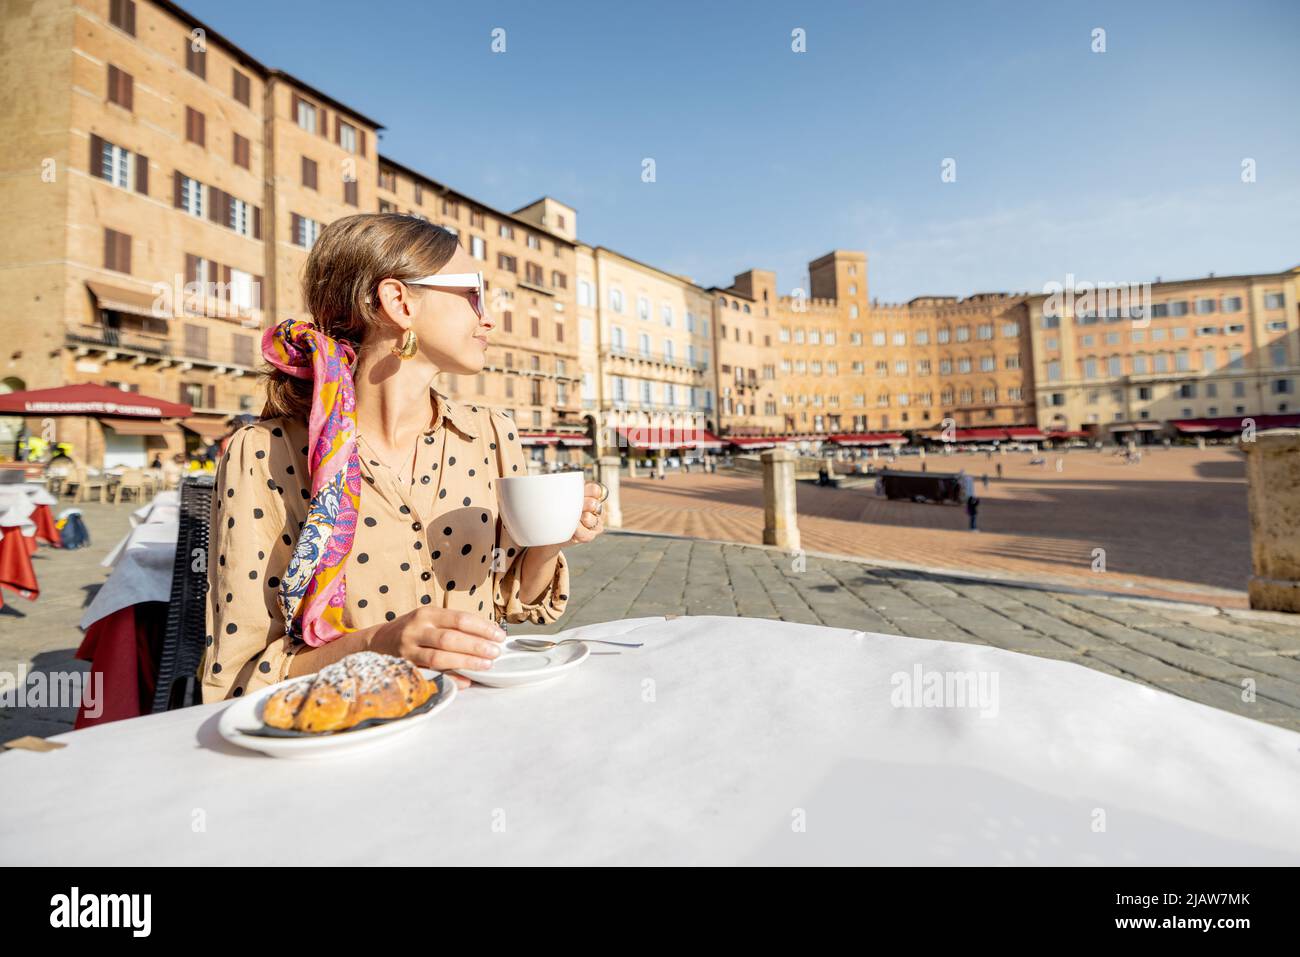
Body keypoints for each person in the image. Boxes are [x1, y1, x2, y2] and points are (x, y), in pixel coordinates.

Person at [201, 214, 605, 703]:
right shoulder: (264, 453)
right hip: (357, 738)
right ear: (400, 301)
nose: (489, 318)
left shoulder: (491, 433)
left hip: (481, 717)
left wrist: (548, 540)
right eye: (473, 293)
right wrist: (376, 645)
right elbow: (240, 677)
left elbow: (515, 602)